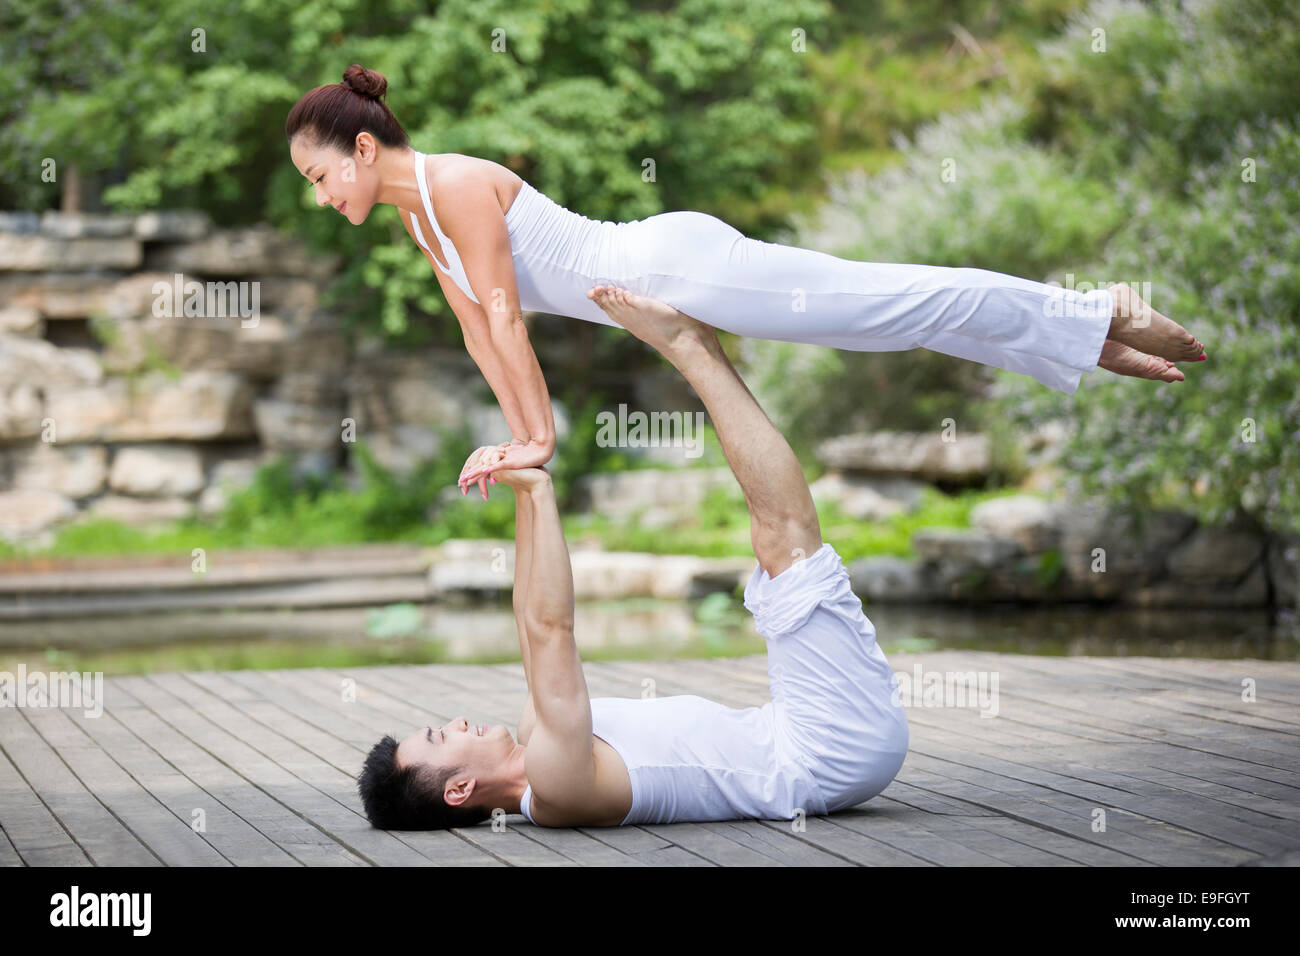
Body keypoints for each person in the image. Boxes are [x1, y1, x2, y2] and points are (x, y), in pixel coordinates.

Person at [285, 65, 1209, 500]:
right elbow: (479, 335)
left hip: (680, 267)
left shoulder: (452, 184)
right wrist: (519, 436)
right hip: (671, 275)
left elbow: (505, 316)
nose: (322, 197)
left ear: (364, 147)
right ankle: (1086, 339)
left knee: (888, 301)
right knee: (885, 322)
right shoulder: (420, 218)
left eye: (323, 176)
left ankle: (1097, 307)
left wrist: (536, 437)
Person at [357, 284, 910, 829]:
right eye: (438, 737)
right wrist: (543, 496)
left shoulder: (540, 738)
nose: (454, 722)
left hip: (796, 729)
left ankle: (693, 345)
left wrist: (525, 479)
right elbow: (552, 628)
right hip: (828, 750)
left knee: (780, 547)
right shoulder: (556, 786)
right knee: (784, 543)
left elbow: (528, 615)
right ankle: (691, 345)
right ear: (459, 789)